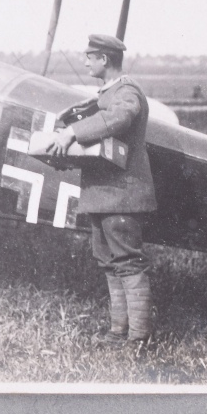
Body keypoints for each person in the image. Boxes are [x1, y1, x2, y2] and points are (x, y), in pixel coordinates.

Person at [45, 34, 158, 350]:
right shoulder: (106, 94)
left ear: (104, 59)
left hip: (120, 194)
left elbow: (120, 117)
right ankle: (118, 332)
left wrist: (72, 132)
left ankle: (138, 337)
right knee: (108, 260)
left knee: (127, 262)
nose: (84, 62)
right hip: (102, 193)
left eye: (89, 56)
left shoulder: (126, 92)